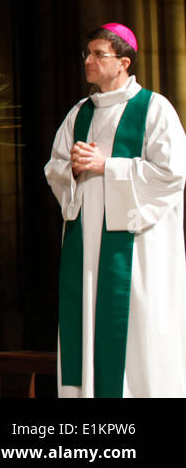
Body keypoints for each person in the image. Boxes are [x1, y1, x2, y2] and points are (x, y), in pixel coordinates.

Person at [45, 23, 186, 396]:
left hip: (135, 253)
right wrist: (72, 169)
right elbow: (55, 168)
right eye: (87, 54)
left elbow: (172, 174)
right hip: (86, 250)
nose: (88, 61)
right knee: (86, 322)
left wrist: (108, 165)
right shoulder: (79, 114)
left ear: (123, 62)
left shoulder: (155, 109)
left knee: (136, 333)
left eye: (98, 54)